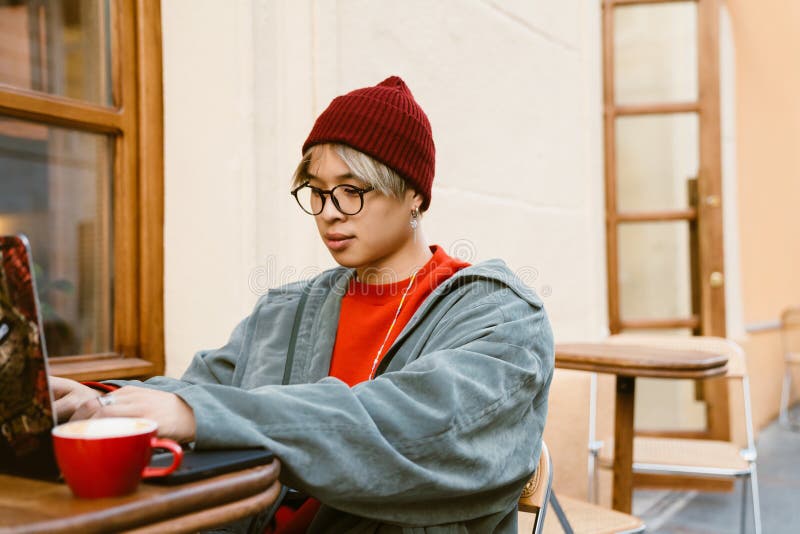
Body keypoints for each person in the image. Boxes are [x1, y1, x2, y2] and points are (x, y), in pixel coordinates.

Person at [52, 76, 554, 533]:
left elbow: (418, 427)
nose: (329, 214)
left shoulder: (499, 314)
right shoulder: (288, 309)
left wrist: (195, 412)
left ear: (415, 196)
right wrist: (105, 402)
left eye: (351, 191)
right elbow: (201, 388)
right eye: (316, 192)